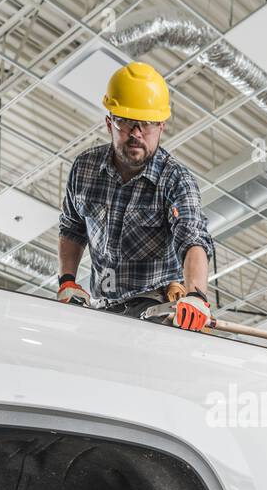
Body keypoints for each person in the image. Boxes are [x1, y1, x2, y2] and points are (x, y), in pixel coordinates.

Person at [56, 61, 214, 331]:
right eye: (126, 122)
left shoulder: (176, 180)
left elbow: (192, 239)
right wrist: (67, 280)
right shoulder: (84, 169)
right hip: (104, 306)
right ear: (109, 123)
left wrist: (197, 295)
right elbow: (72, 227)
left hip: (156, 307)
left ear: (161, 126)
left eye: (147, 124)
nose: (136, 133)